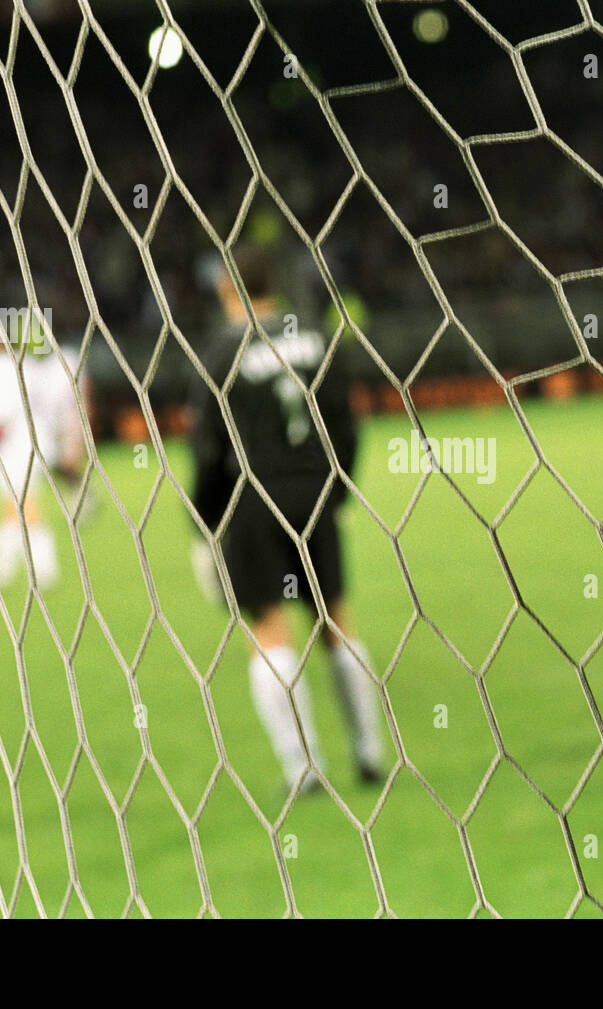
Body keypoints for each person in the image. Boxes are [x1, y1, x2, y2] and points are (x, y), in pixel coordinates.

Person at [189, 245, 385, 795]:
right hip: (315, 492)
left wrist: (205, 528)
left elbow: (208, 450)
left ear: (229, 288)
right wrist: (338, 492)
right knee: (335, 621)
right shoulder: (316, 340)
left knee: (269, 629)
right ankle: (369, 753)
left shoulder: (223, 352)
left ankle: (303, 768)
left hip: (253, 499)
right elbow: (345, 424)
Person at [0, 318, 90, 590]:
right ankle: (3, 567)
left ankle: (45, 567)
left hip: (17, 447)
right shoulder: (27, 365)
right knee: (11, 508)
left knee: (25, 506)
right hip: (37, 442)